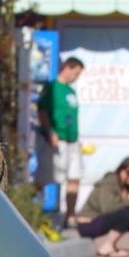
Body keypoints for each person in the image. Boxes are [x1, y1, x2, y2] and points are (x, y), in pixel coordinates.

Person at [34, 56, 85, 227]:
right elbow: (43, 111)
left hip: (73, 141)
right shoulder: (52, 87)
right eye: (76, 73)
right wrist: (50, 132)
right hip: (56, 141)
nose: (77, 77)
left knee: (74, 178)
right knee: (46, 178)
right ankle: (31, 212)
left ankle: (70, 216)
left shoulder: (71, 91)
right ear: (67, 68)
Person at [76, 157, 129, 257]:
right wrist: (128, 201)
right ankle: (107, 247)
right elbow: (106, 208)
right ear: (122, 169)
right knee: (127, 213)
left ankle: (111, 246)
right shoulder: (109, 182)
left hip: (98, 221)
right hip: (87, 225)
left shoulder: (125, 187)